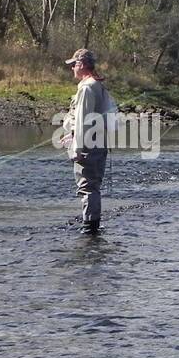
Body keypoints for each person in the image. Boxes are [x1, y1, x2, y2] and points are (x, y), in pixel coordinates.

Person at [61, 48, 119, 233]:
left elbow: (83, 120)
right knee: (92, 186)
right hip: (98, 143)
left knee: (87, 187)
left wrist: (78, 149)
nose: (72, 69)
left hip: (88, 146)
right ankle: (92, 225)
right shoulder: (98, 85)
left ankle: (90, 228)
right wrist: (72, 134)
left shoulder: (87, 88)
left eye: (73, 65)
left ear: (82, 65)